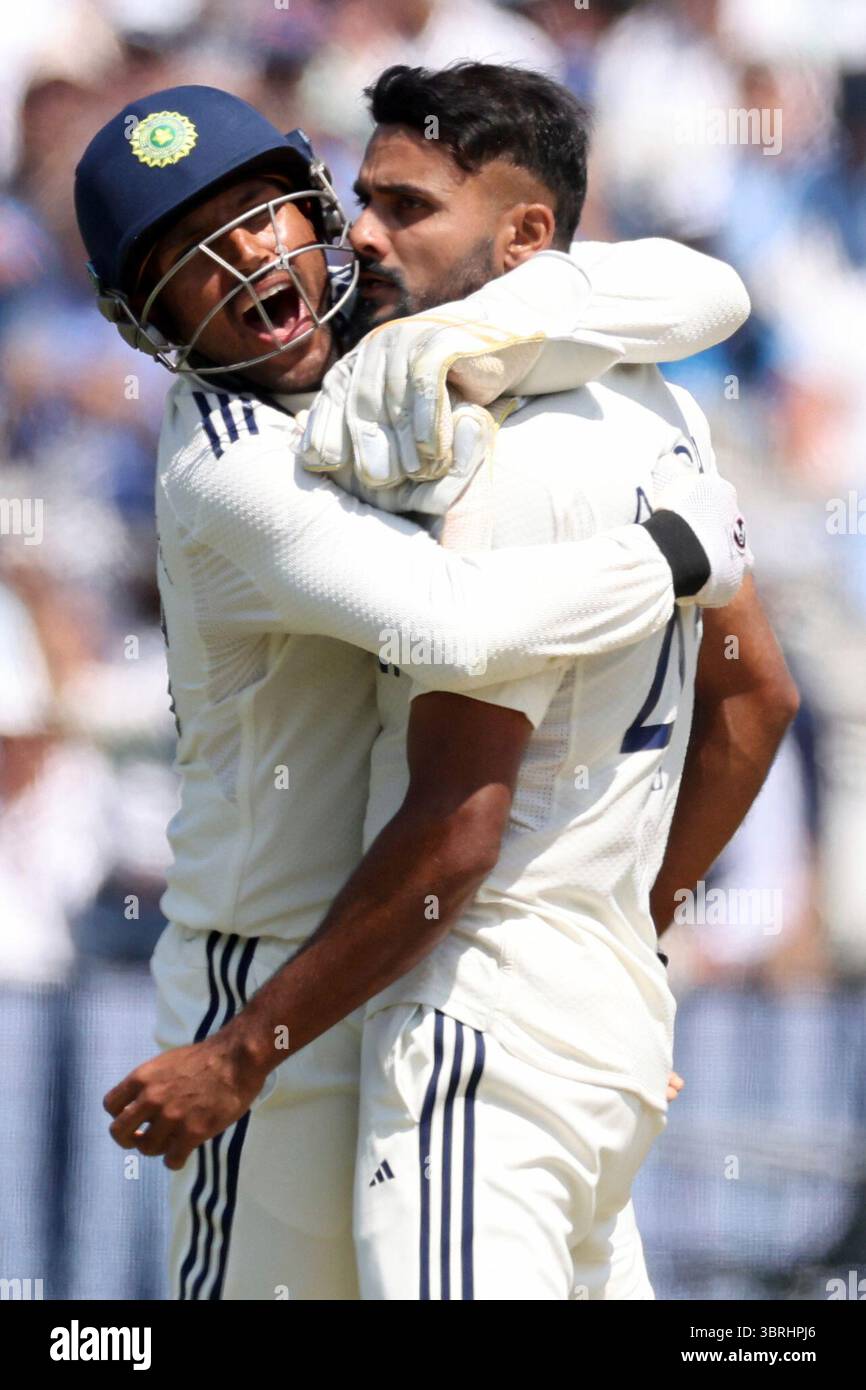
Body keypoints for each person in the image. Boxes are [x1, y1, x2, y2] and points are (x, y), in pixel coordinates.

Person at [76, 78, 751, 1299]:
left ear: (314, 211)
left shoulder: (406, 344)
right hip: (271, 968)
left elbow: (710, 288)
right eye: (186, 254)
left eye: (256, 216)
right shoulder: (224, 460)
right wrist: (670, 557)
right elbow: (447, 632)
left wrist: (462, 332)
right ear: (143, 321)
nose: (239, 265)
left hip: (407, 968)